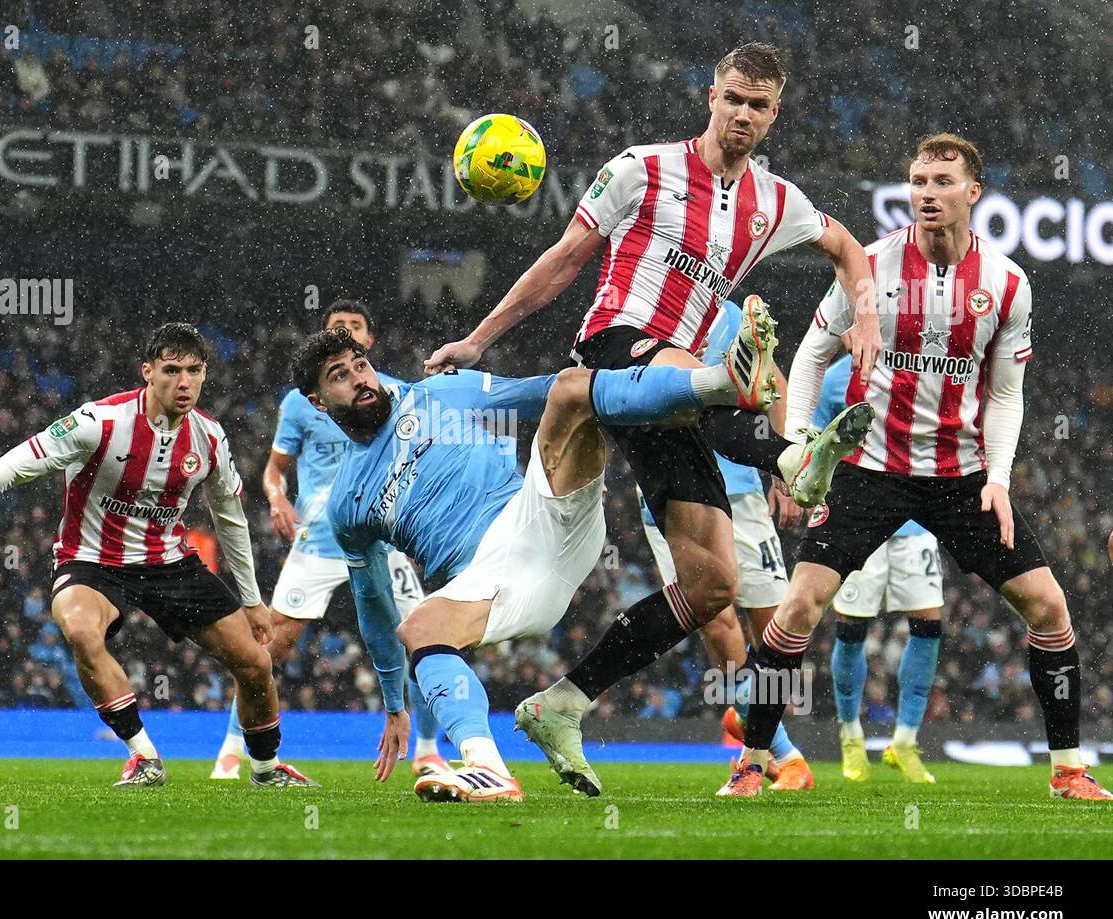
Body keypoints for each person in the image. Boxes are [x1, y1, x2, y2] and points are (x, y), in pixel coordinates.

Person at [423, 43, 882, 792]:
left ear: (774, 115)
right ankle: (788, 452)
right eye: (732, 97)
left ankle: (562, 703)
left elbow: (849, 249)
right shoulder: (641, 166)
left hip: (678, 395)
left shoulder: (776, 202)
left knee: (711, 587)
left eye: (758, 105)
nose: (742, 114)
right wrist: (480, 337)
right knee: (717, 379)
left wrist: (863, 317)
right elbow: (568, 256)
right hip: (617, 348)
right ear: (710, 95)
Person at [304, 296, 860, 803]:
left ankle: (723, 386)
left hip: (540, 518)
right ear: (317, 401)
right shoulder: (347, 505)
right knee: (419, 630)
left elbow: (543, 392)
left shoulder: (437, 393)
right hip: (500, 585)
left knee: (575, 388)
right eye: (340, 376)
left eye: (360, 365)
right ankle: (489, 770)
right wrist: (395, 702)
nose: (359, 379)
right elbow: (373, 600)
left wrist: (633, 388)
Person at [717, 133, 1111, 800]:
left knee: (1048, 605)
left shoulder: (1008, 283)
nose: (926, 192)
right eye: (918, 179)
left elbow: (1008, 393)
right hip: (870, 471)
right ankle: (753, 763)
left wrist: (998, 478)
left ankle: (1068, 769)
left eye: (941, 181)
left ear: (972, 192)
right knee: (800, 605)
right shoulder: (867, 268)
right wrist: (807, 449)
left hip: (960, 477)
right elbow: (811, 355)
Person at [0, 323, 316, 789]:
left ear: (205, 374)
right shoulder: (99, 423)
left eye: (194, 371)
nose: (183, 382)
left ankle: (264, 769)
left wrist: (254, 600)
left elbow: (231, 521)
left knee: (256, 663)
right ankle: (143, 756)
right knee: (79, 628)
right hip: (91, 559)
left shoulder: (209, 438)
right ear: (147, 372)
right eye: (171, 370)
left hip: (168, 563)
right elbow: (11, 467)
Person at [210, 300, 443, 780]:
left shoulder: (395, 393)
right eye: (337, 327)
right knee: (270, 647)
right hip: (320, 536)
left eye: (355, 328)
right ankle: (233, 749)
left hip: (382, 534)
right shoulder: (300, 402)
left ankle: (427, 749)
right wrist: (277, 499)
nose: (346, 332)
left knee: (424, 641)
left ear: (369, 343)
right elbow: (274, 471)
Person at [815, 353, 946, 784]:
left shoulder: (916, 363)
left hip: (917, 516)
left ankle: (904, 741)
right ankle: (850, 737)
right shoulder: (835, 377)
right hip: (859, 517)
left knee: (928, 622)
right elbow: (815, 438)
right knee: (852, 626)